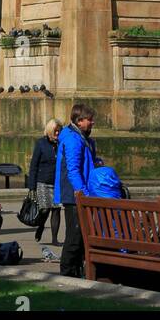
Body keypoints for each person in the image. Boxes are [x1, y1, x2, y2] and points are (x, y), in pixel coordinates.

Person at [55, 102, 99, 277]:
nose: (92, 122)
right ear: (79, 121)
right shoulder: (73, 140)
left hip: (77, 194)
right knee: (74, 237)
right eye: (89, 120)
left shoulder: (79, 137)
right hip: (75, 196)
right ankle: (67, 274)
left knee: (79, 236)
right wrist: (84, 195)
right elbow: (73, 171)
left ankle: (75, 271)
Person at [28, 118, 62, 246]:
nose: (57, 133)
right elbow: (34, 165)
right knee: (44, 210)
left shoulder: (61, 144)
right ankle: (40, 225)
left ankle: (54, 239)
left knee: (56, 209)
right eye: (55, 131)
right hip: (43, 182)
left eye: (59, 131)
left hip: (57, 182)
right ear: (49, 130)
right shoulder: (41, 143)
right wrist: (31, 186)